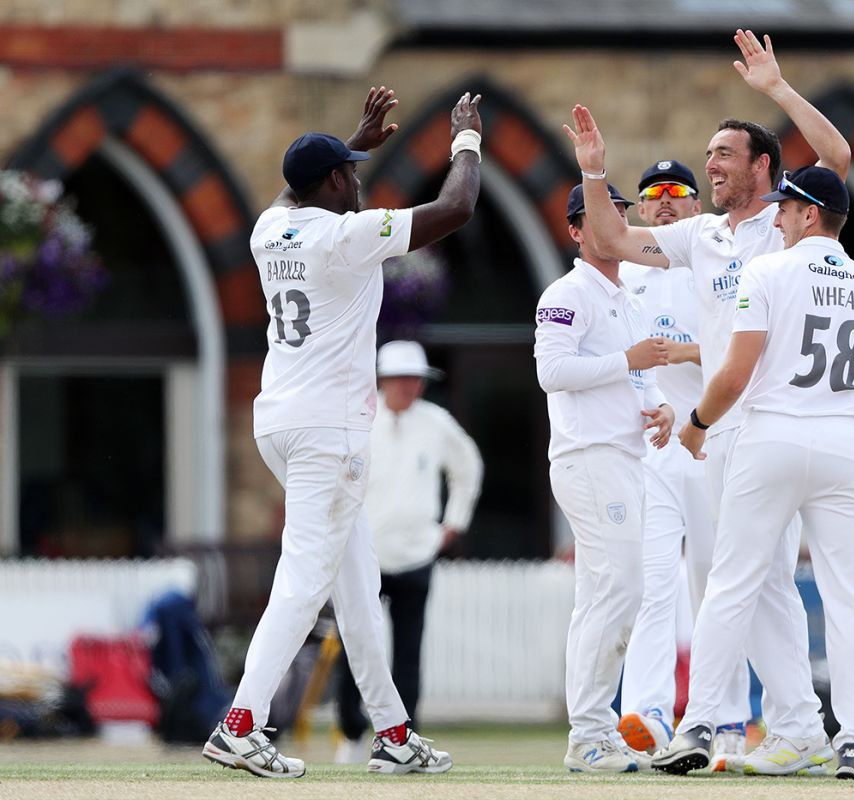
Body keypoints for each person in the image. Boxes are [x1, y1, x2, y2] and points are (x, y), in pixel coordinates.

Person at [565, 28, 852, 774]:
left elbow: (839, 161)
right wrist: (594, 173)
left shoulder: (784, 226)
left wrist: (776, 92)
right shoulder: (704, 237)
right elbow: (610, 237)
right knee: (751, 583)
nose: (711, 165)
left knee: (740, 580)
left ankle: (721, 725)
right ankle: (789, 727)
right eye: (710, 154)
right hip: (717, 433)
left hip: (763, 421)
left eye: (724, 154)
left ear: (764, 168)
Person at [201, 86, 482, 779]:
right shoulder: (348, 236)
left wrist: (353, 141)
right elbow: (457, 208)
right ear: (332, 183)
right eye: (350, 172)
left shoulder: (269, 230)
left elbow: (294, 190)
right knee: (303, 580)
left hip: (282, 421)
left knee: (355, 586)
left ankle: (390, 732)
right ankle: (240, 724)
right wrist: (467, 140)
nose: (358, 181)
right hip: (330, 428)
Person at [652, 164, 854, 781]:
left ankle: (696, 725)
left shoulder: (767, 271)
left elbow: (734, 372)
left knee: (731, 582)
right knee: (851, 598)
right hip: (847, 447)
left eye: (784, 209)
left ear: (807, 214)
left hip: (770, 436)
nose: (774, 217)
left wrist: (695, 422)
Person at [534, 181, 676, 772]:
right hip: (588, 457)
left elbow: (639, 377)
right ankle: (589, 732)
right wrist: (630, 361)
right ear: (575, 230)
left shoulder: (627, 298)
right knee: (621, 589)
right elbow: (552, 371)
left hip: (623, 456)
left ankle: (591, 732)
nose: (613, 223)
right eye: (599, 215)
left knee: (604, 595)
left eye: (619, 214)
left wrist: (662, 405)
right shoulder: (566, 293)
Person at [334, 340, 483, 762]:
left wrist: (453, 523)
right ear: (383, 380)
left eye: (414, 379)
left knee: (409, 652)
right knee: (357, 646)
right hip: (365, 556)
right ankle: (350, 732)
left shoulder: (436, 422)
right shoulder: (358, 418)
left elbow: (468, 467)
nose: (408, 387)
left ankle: (403, 737)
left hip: (417, 554)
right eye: (400, 378)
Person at [616, 159, 709, 756]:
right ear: (641, 211)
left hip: (710, 439)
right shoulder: (625, 272)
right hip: (649, 447)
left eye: (678, 193)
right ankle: (644, 713)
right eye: (653, 195)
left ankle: (720, 716)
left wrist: (679, 354)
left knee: (712, 586)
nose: (666, 202)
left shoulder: (716, 261)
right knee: (650, 584)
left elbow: (746, 350)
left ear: (696, 207)